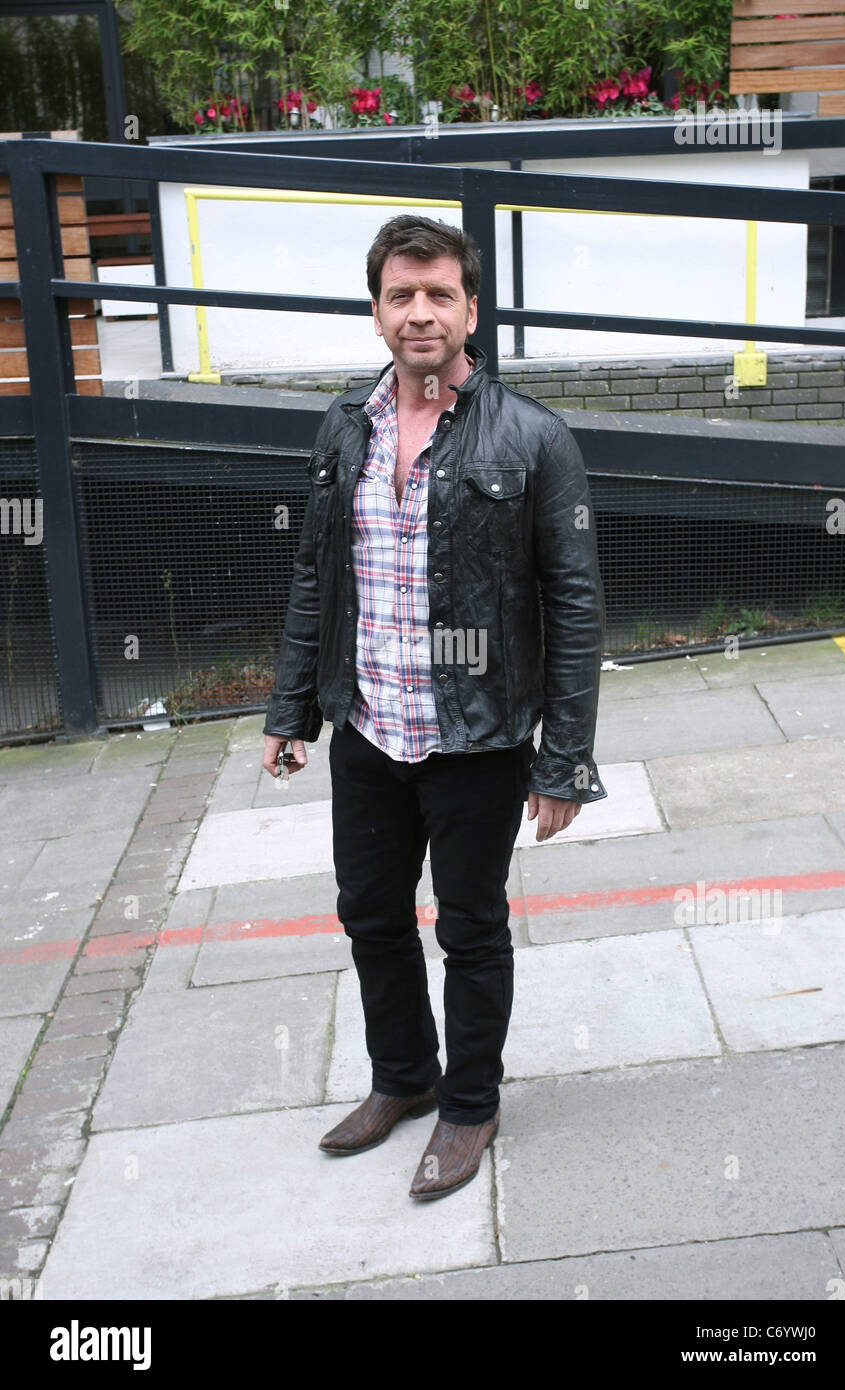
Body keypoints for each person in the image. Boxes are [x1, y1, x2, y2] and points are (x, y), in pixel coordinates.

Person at [262, 214, 606, 1201]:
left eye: (437, 294)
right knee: (368, 912)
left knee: (470, 926)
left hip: (477, 735)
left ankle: (468, 1104)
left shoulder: (532, 435)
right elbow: (314, 572)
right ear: (376, 312)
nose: (419, 311)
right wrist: (292, 707)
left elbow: (574, 603)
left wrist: (563, 760)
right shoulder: (346, 427)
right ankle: (402, 1080)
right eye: (399, 295)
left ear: (466, 310)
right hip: (367, 724)